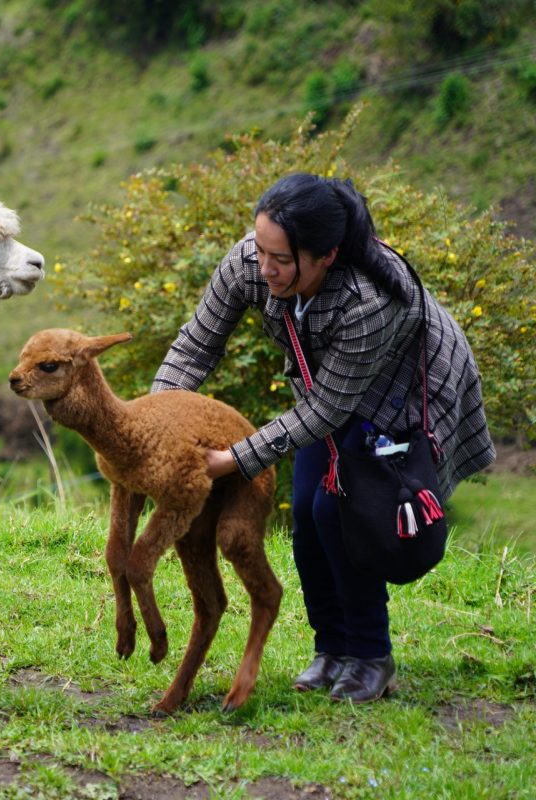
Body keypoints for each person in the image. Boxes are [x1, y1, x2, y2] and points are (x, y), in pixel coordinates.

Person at [151, 173, 494, 703]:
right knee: (309, 515)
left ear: (326, 255)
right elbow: (198, 344)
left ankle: (371, 656)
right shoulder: (254, 259)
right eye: (261, 250)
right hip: (325, 387)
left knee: (341, 511)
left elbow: (328, 410)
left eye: (281, 260)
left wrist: (233, 459)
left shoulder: (370, 298)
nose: (264, 268)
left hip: (401, 388)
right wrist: (156, 423)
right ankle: (332, 647)